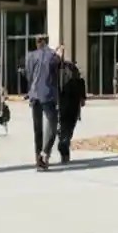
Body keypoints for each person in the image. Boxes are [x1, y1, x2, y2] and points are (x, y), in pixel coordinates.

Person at [23, 35, 61, 171]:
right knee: (52, 124)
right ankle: (45, 153)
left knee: (37, 127)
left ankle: (37, 155)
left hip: (34, 94)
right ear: (46, 41)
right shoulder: (53, 55)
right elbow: (58, 72)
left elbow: (28, 75)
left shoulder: (30, 56)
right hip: (48, 94)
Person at [56, 46, 87, 163]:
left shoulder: (70, 68)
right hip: (67, 102)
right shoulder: (60, 68)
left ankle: (64, 145)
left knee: (66, 127)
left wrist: (82, 98)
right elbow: (81, 82)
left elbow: (80, 82)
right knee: (66, 127)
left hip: (69, 102)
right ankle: (64, 147)